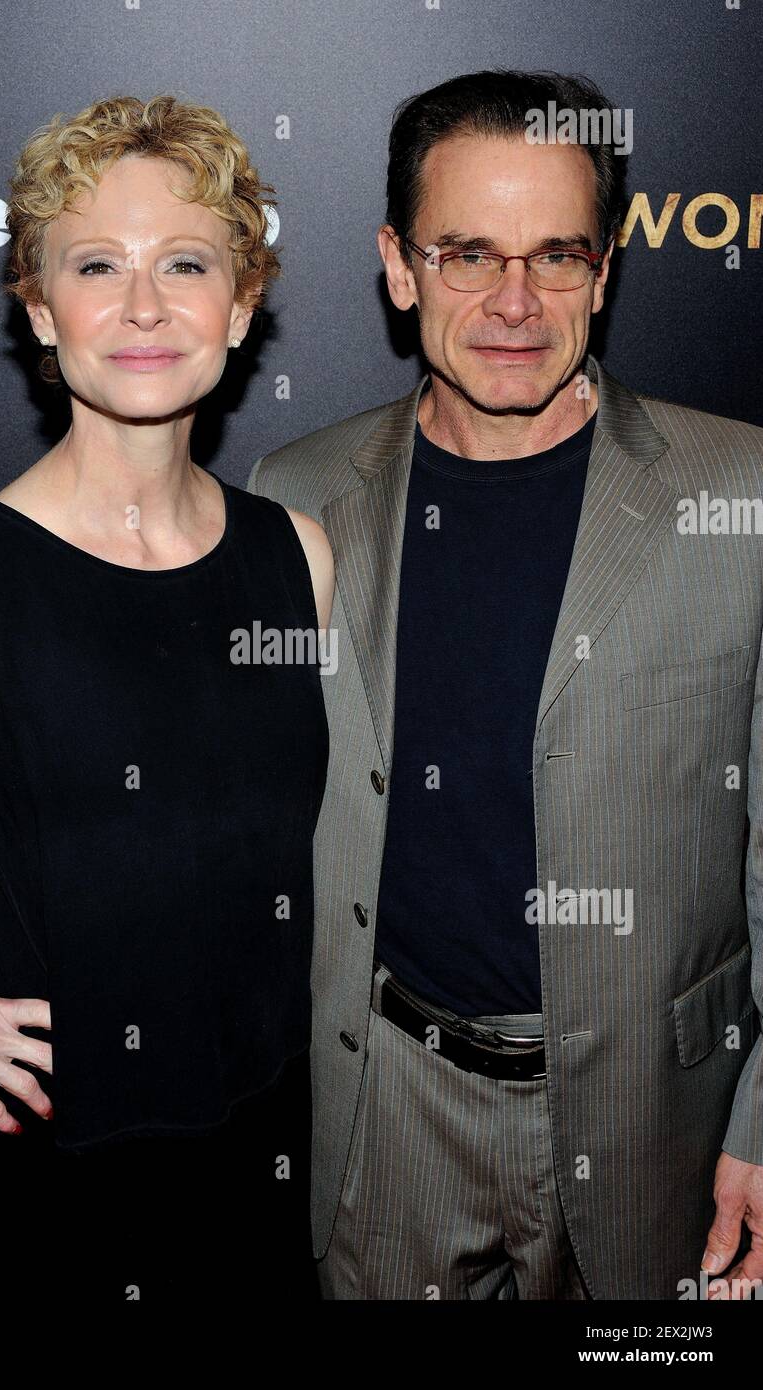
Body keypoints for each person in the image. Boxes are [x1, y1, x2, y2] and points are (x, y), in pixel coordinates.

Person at [0, 93, 333, 1301]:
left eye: (184, 264)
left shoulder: (298, 555)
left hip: (278, 1143)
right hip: (59, 1177)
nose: (143, 306)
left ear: (240, 304)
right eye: (97, 265)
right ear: (41, 310)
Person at [247, 69, 763, 1299]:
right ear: (396, 263)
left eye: (556, 256)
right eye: (467, 253)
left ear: (604, 268)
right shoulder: (292, 492)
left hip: (668, 1122)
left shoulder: (739, 494)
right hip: (387, 1113)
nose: (514, 303)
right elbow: (224, 790)